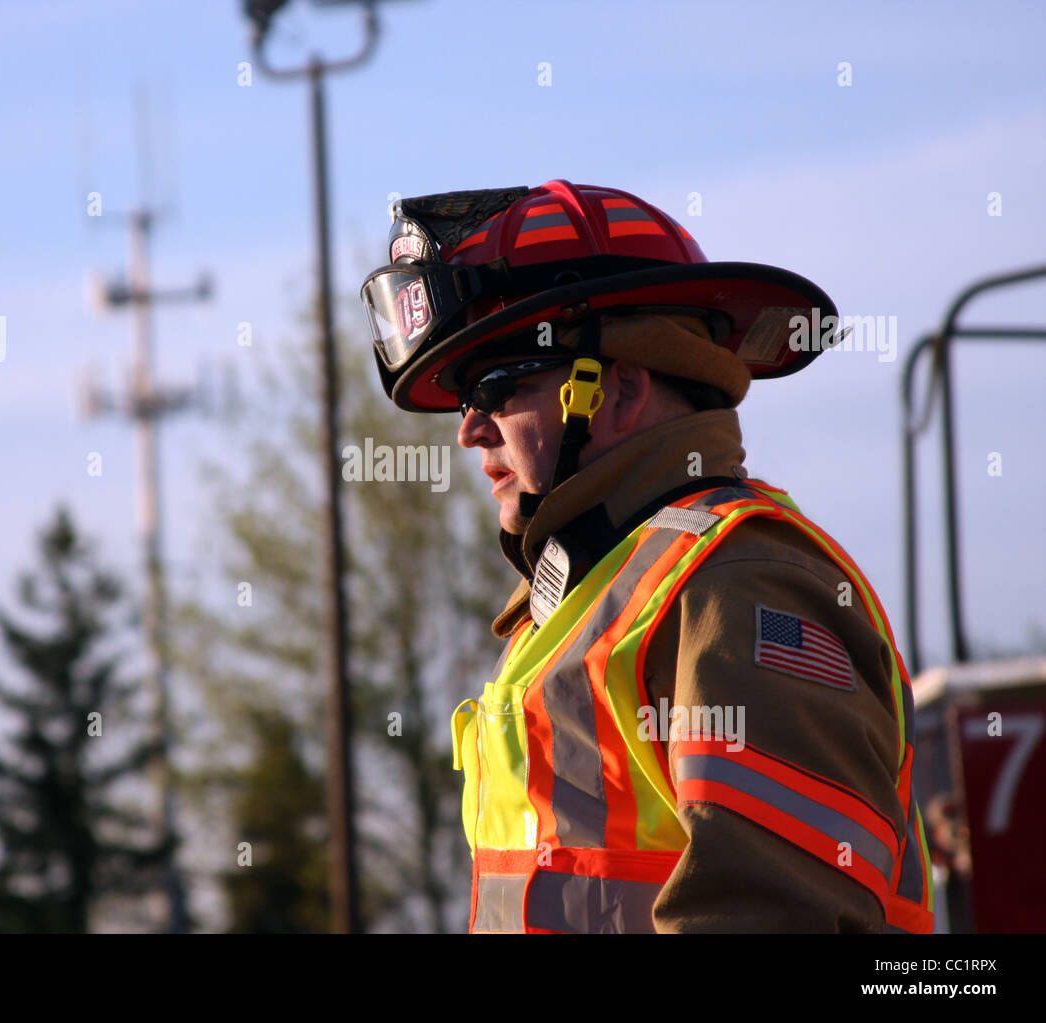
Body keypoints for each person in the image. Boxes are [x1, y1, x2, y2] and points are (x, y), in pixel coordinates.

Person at [360, 180, 934, 933]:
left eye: (498, 386)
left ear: (618, 389)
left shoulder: (735, 588)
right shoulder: (580, 604)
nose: (470, 431)